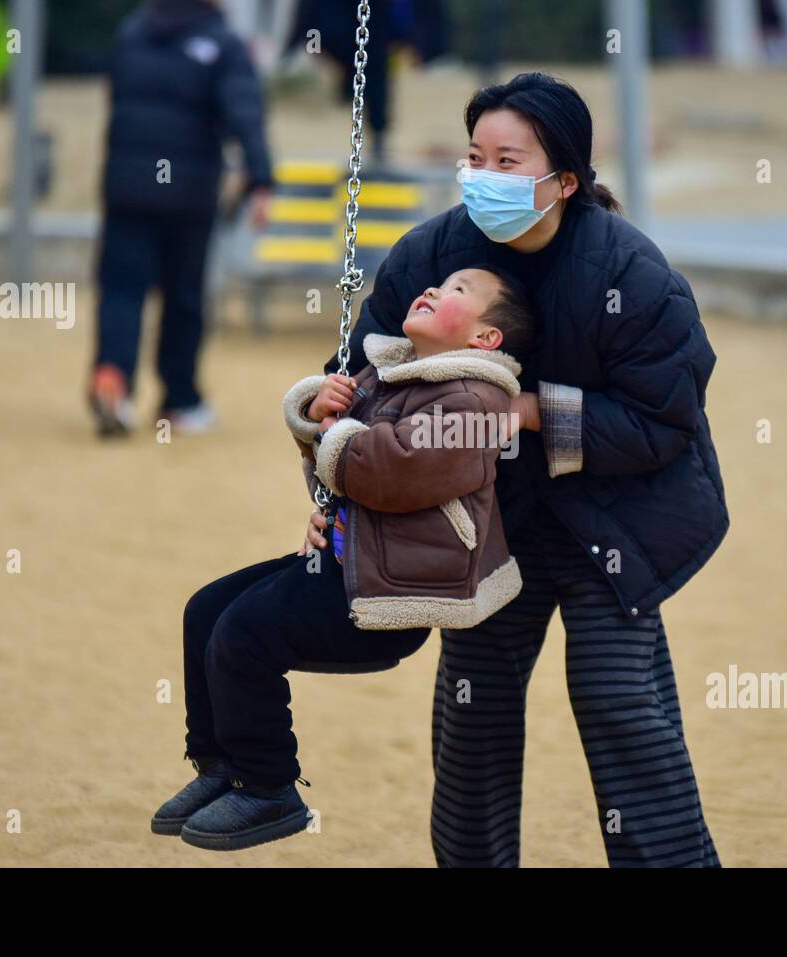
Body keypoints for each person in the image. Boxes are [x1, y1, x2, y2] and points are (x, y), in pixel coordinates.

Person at [301, 72, 730, 867]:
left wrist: (532, 410)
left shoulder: (630, 273)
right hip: (489, 524)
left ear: (565, 180)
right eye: (475, 157)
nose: (484, 176)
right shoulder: (432, 254)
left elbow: (663, 421)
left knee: (620, 706)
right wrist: (328, 444)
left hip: (613, 517)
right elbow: (361, 383)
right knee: (474, 721)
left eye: (508, 160)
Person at [151, 265, 537, 851]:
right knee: (205, 611)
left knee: (245, 634)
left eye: (459, 291)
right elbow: (336, 475)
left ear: (486, 339)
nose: (434, 289)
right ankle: (219, 767)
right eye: (438, 283)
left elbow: (394, 469)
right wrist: (316, 414)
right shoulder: (390, 376)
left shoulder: (476, 400)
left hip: (394, 597)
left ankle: (269, 786)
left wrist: (339, 438)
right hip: (349, 563)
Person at [89, 0, 274, 438]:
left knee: (120, 289)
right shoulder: (222, 43)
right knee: (184, 297)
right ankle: (179, 399)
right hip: (187, 193)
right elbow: (244, 112)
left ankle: (113, 378)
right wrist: (261, 179)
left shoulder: (132, 32)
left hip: (125, 187)